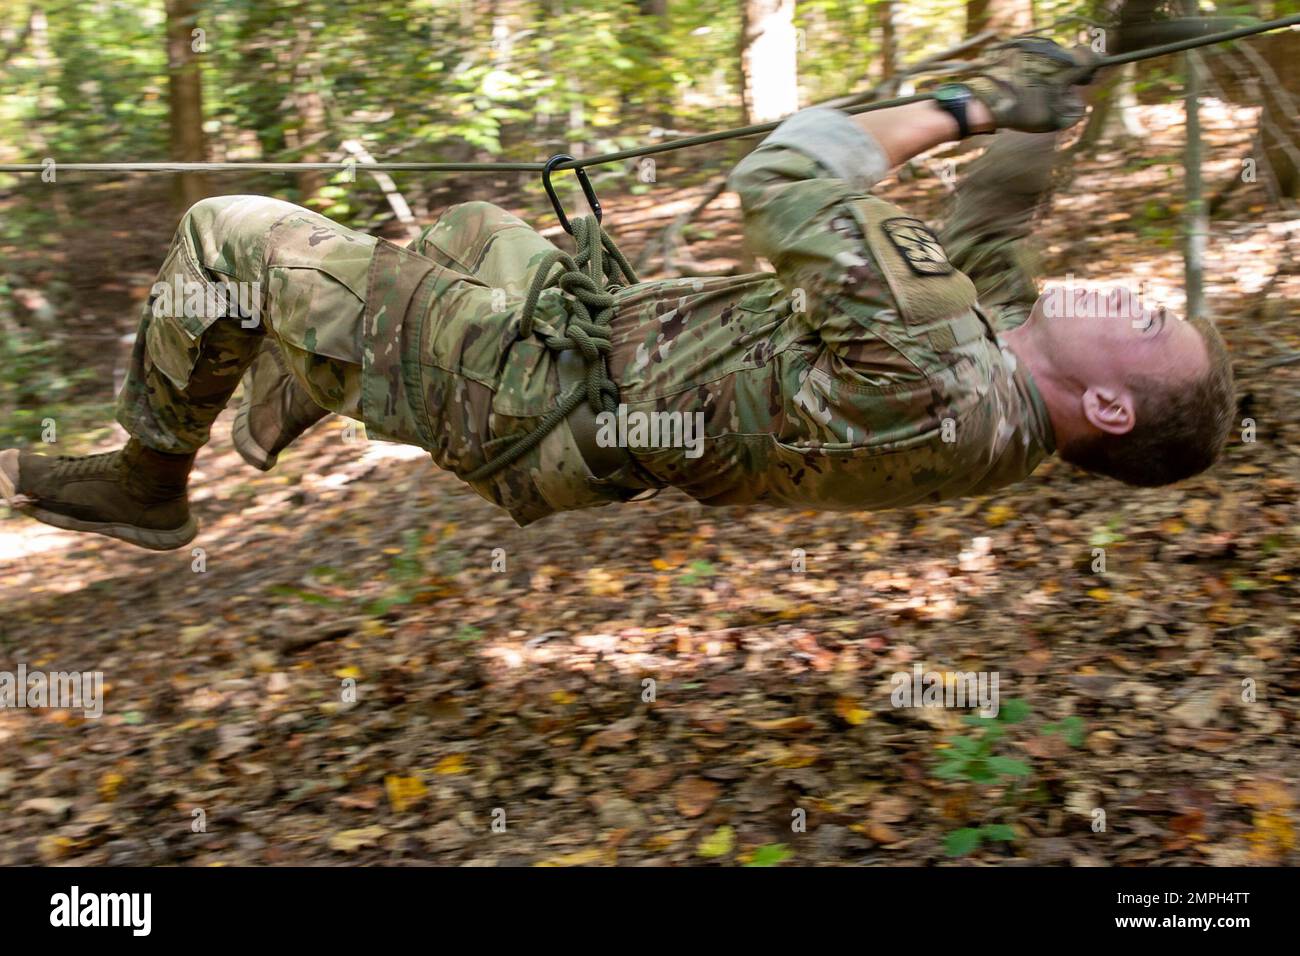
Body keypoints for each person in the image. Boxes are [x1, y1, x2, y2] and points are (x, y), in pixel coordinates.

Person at [0, 40, 1234, 551]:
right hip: (570, 363)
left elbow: (792, 172)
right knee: (435, 254)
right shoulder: (1012, 387)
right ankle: (313, 373)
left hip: (527, 385)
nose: (1129, 289)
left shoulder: (940, 368)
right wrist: (1047, 104)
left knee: (229, 235)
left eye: (1143, 319)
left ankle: (150, 479)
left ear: (1112, 408)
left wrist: (967, 106)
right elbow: (996, 222)